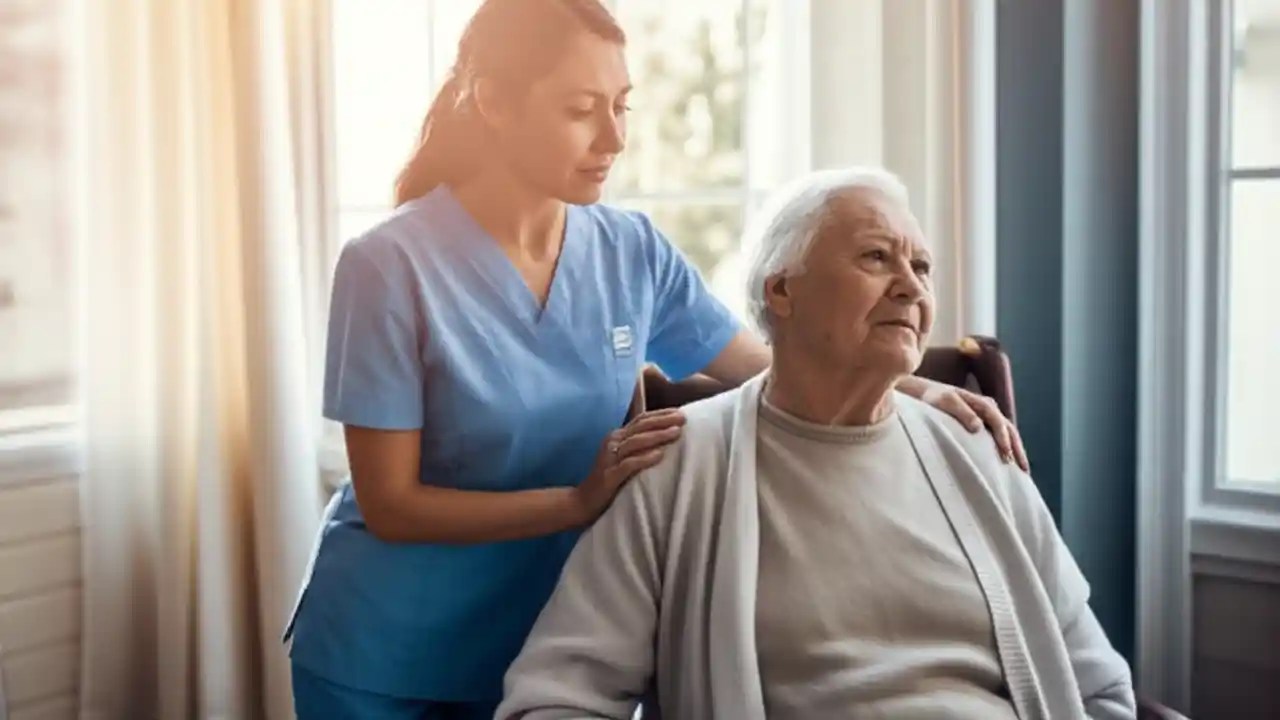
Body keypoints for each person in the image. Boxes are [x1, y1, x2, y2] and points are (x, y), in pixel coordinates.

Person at [284, 1, 1026, 717]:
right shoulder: (386, 265)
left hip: (534, 648)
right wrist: (577, 502)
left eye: (621, 106)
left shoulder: (629, 251)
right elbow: (391, 504)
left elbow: (774, 366)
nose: (612, 137)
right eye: (580, 110)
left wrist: (920, 394)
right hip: (383, 655)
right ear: (494, 104)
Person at [497, 167, 1135, 720]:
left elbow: (1098, 689)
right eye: (876, 257)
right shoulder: (679, 462)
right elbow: (555, 701)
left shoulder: (977, 451)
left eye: (921, 266)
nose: (911, 286)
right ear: (781, 290)